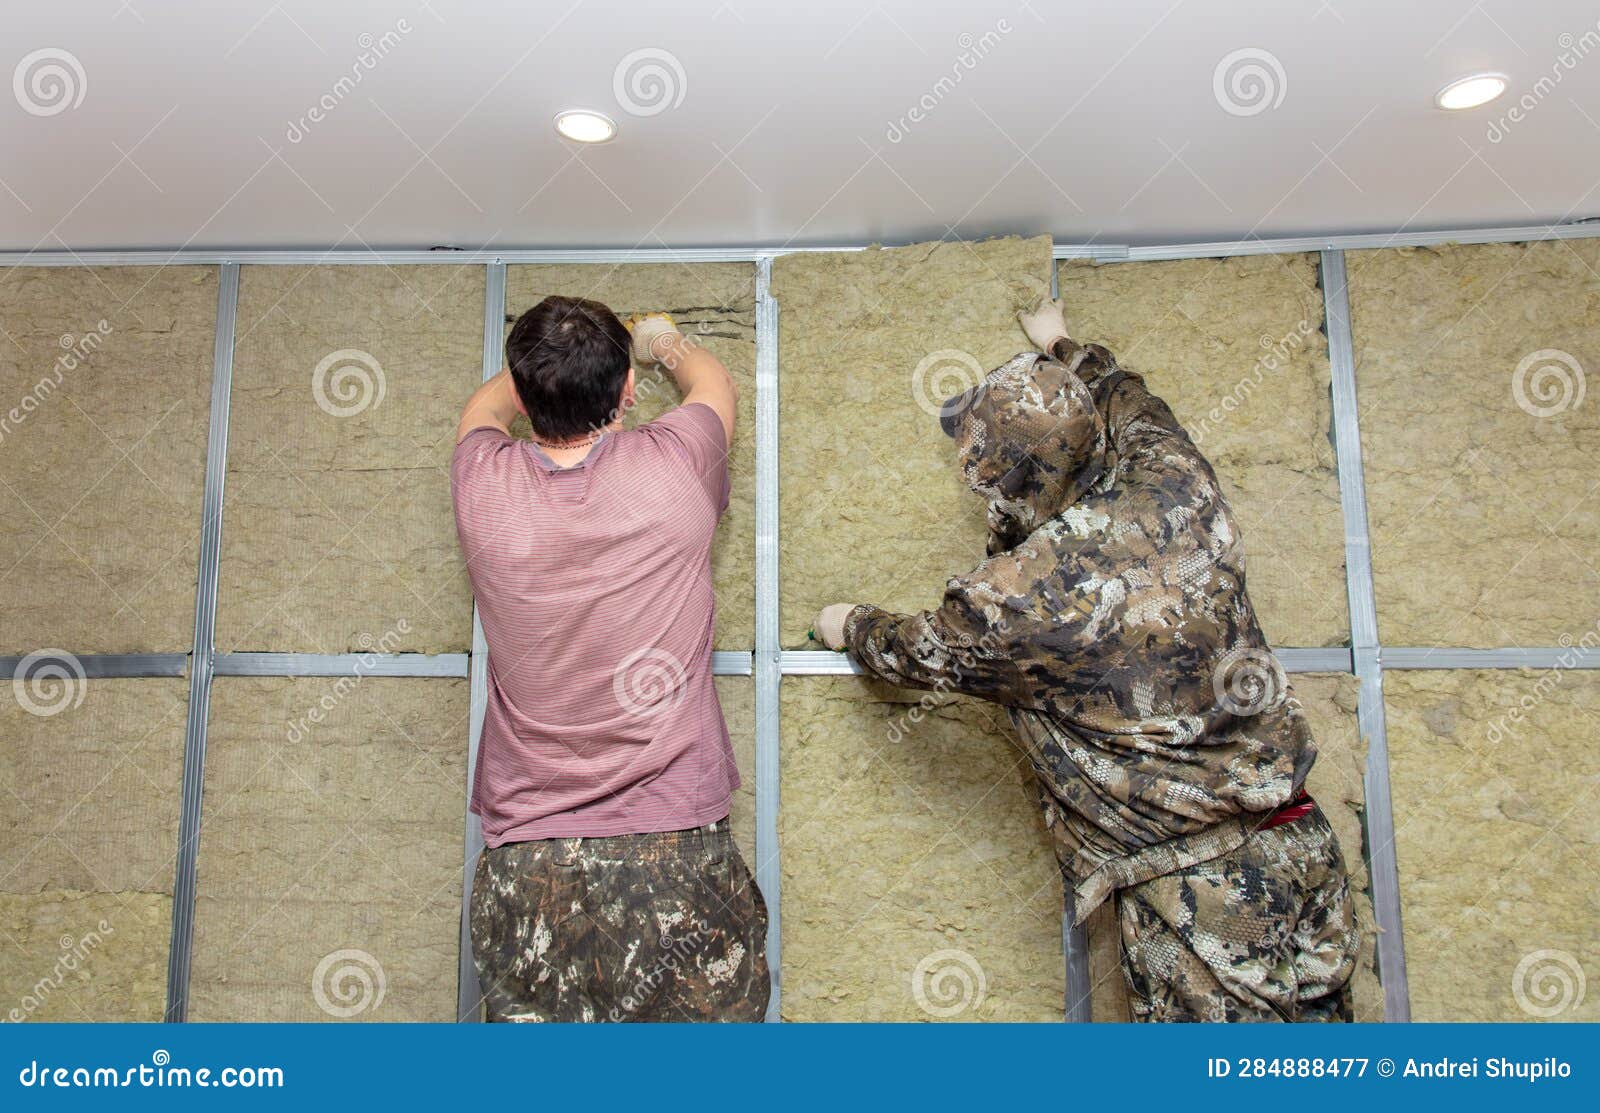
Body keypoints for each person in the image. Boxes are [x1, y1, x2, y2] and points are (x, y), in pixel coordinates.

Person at [812, 297, 1360, 1022]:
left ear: (996, 480)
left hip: (1210, 899)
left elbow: (916, 651)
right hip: (1301, 846)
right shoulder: (1173, 477)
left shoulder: (1020, 596)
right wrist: (1066, 346)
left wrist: (848, 623)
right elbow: (1134, 400)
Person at [451, 296, 768, 1022]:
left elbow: (483, 407)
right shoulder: (678, 464)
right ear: (627, 390)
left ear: (528, 402)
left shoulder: (479, 483)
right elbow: (711, 383)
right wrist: (659, 341)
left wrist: (547, 368)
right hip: (674, 852)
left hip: (529, 863)